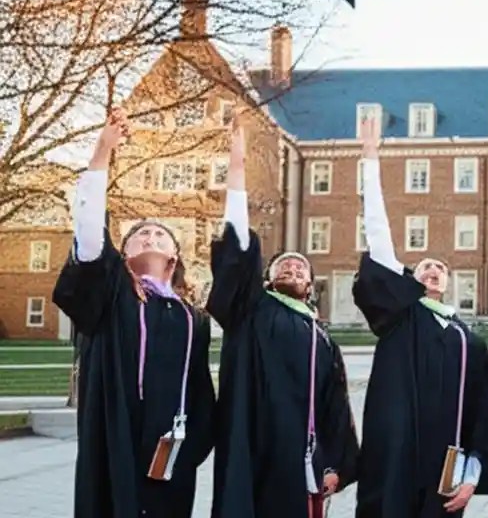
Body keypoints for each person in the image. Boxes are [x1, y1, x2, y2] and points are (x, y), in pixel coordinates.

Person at [52, 107, 215, 518]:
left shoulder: (191, 318)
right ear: (123, 254)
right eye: (141, 233)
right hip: (115, 440)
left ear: (175, 256)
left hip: (168, 450)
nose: (151, 235)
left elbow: (199, 387)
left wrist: (190, 446)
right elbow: (89, 237)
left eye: (160, 233)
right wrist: (102, 153)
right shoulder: (113, 295)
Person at [207, 115, 359, 518]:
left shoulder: (321, 336)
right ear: (267, 279)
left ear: (310, 285)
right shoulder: (252, 308)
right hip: (253, 447)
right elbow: (238, 252)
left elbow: (334, 406)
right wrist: (237, 169)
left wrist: (335, 465)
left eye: (301, 268)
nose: (292, 269)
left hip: (302, 460)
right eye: (283, 266)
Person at [352, 118, 488, 517]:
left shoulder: (470, 342)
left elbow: (482, 414)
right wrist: (370, 159)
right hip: (393, 466)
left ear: (448, 282)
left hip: (443, 472)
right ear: (407, 281)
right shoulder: (399, 315)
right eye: (423, 266)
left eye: (440, 267)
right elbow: (380, 238)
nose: (432, 268)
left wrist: (472, 476)